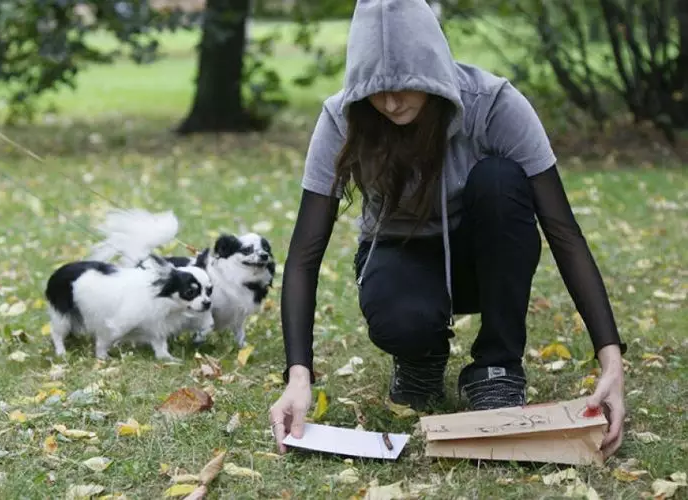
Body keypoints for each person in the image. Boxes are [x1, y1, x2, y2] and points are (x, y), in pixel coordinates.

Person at [269, 0, 627, 458]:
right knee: (403, 318)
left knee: (500, 179)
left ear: (433, 73)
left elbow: (563, 230)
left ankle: (497, 368)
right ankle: (421, 360)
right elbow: (304, 253)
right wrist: (298, 376)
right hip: (402, 255)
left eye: (404, 87)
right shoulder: (344, 117)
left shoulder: (493, 104)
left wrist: (611, 363)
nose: (392, 103)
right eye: (377, 91)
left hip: (485, 261)